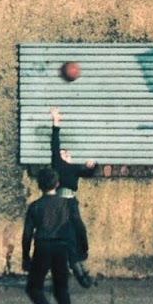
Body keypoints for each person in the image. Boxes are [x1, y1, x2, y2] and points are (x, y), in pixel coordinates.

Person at [22, 166, 89, 304]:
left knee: (33, 286)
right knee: (61, 289)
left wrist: (25, 255)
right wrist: (84, 246)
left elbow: (27, 234)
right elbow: (79, 226)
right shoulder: (68, 204)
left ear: (39, 185)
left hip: (42, 248)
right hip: (61, 248)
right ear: (57, 184)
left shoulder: (35, 207)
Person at [50, 107, 97, 288]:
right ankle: (79, 271)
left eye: (67, 152)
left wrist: (91, 166)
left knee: (78, 229)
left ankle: (81, 260)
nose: (65, 153)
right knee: (69, 235)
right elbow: (54, 145)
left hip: (72, 202)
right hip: (61, 203)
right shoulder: (58, 166)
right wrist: (56, 123)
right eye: (63, 152)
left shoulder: (74, 168)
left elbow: (88, 173)